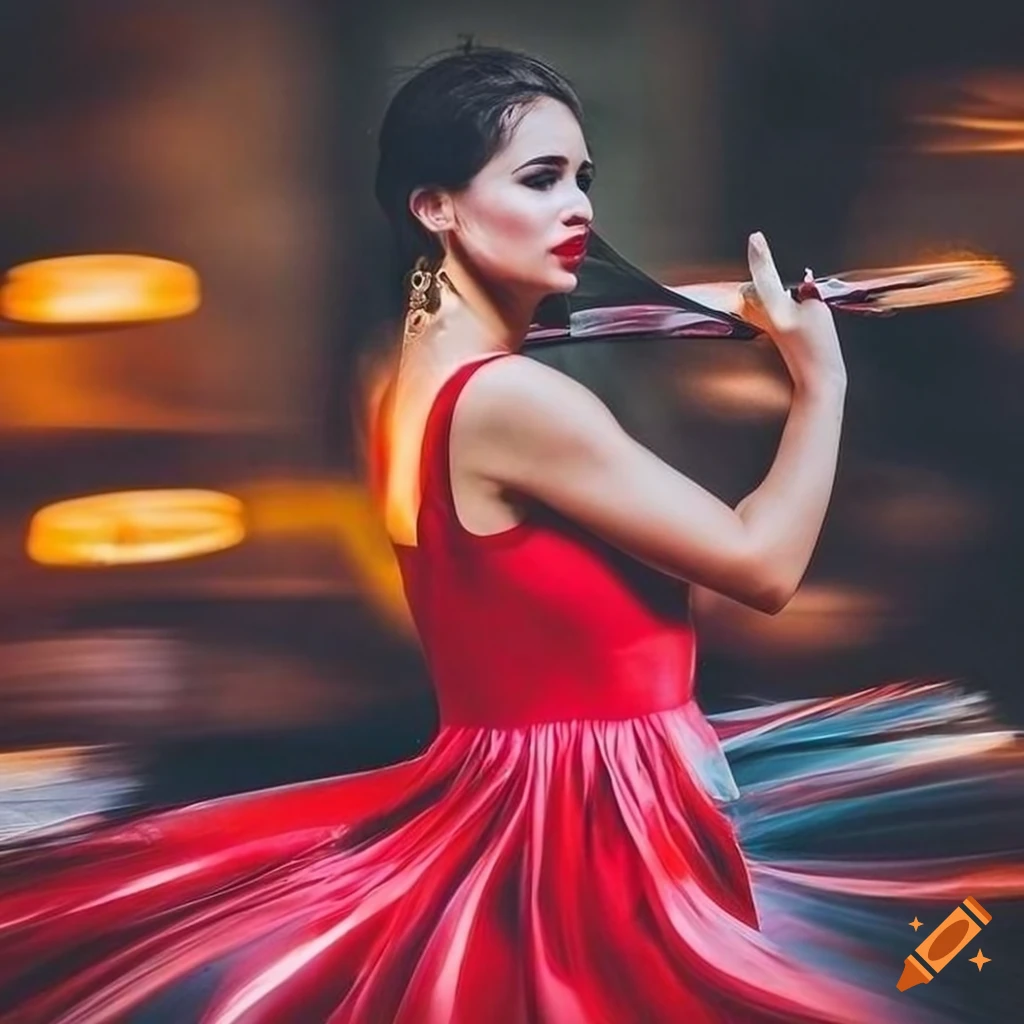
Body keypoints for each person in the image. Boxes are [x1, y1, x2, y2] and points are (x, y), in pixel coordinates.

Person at [0, 45, 1021, 1024]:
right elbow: (762, 567)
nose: (577, 206)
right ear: (434, 206)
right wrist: (820, 381)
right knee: (957, 873)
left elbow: (550, 331)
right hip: (600, 823)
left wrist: (704, 311)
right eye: (538, 178)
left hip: (521, 787)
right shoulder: (517, 404)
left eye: (582, 176)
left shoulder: (394, 372)